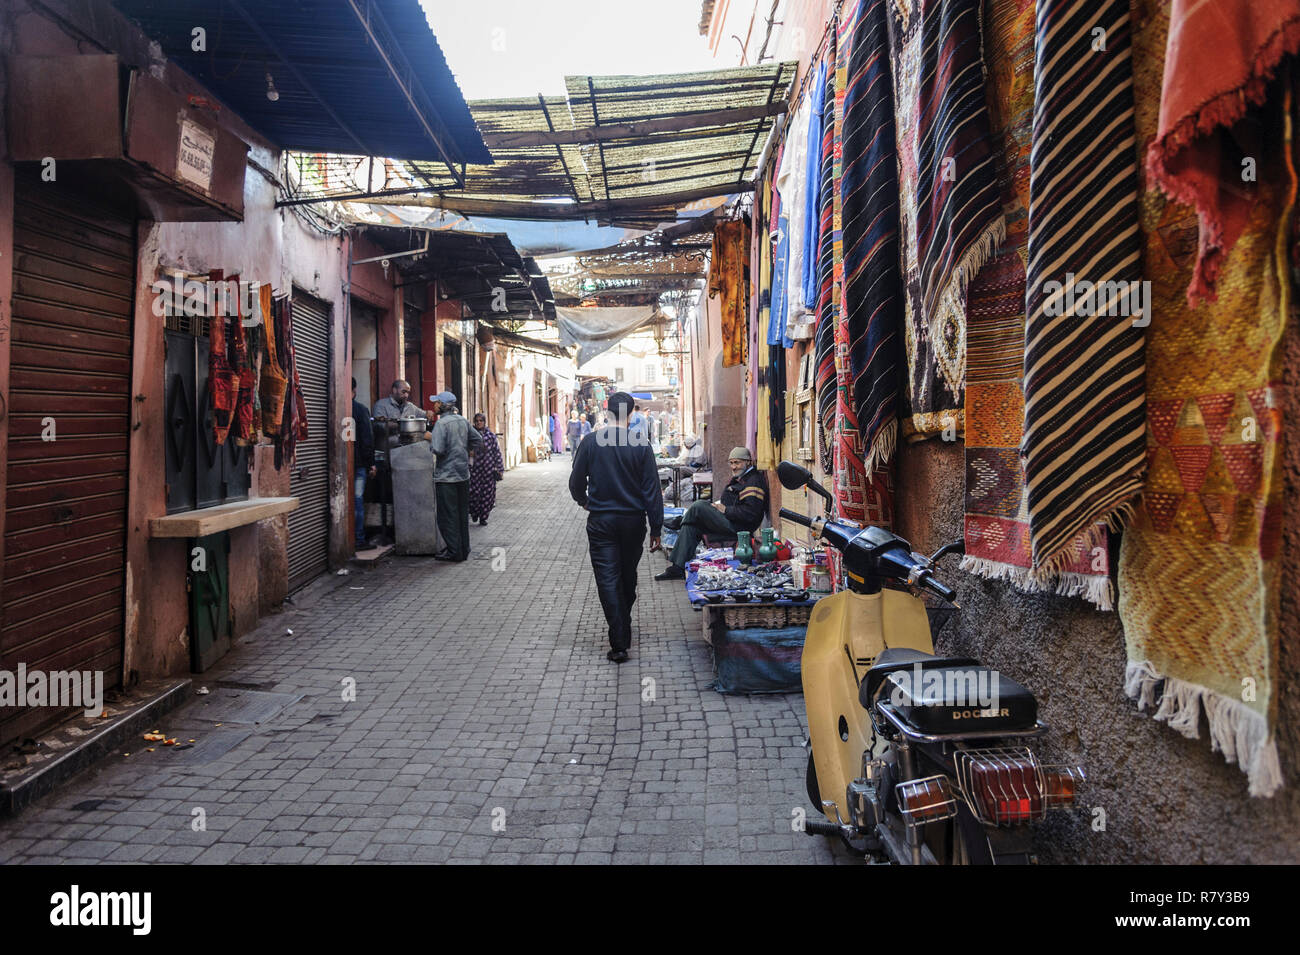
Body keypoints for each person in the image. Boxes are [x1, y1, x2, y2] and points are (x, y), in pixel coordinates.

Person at [569, 391, 663, 663]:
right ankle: (622, 625)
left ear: (607, 411)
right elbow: (652, 490)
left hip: (601, 522)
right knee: (627, 573)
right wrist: (656, 527)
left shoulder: (590, 442)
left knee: (608, 578)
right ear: (632, 413)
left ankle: (619, 640)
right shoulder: (641, 443)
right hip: (633, 522)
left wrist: (583, 501)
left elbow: (576, 482)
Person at [655, 447, 766, 581]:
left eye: (737, 462)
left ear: (748, 462)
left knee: (699, 505)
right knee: (691, 527)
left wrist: (725, 510)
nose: (733, 467)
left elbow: (751, 514)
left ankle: (679, 521)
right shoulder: (741, 478)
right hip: (730, 520)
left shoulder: (753, 481)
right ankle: (677, 568)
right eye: (731, 463)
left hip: (740, 528)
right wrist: (719, 508)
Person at [429, 391, 482, 561]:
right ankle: (463, 549)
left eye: (436, 402)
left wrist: (428, 438)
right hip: (462, 474)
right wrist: (464, 450)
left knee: (447, 515)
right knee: (461, 513)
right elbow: (478, 439)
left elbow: (438, 449)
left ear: (443, 405)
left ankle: (453, 551)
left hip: (446, 477)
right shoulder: (463, 420)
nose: (434, 405)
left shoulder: (441, 424)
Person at [351, 378, 376, 549]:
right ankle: (358, 539)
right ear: (354, 390)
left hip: (343, 465)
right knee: (357, 500)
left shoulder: (338, 408)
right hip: (359, 465)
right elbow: (368, 440)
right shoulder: (360, 410)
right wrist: (371, 464)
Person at [468, 413, 504, 525]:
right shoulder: (470, 436)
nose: (479, 423)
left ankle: (483, 517)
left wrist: (500, 469)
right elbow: (465, 450)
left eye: (481, 421)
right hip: (474, 471)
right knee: (473, 494)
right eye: (477, 421)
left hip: (488, 471)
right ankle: (474, 514)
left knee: (488, 495)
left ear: (484, 422)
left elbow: (497, 453)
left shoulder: (491, 436)